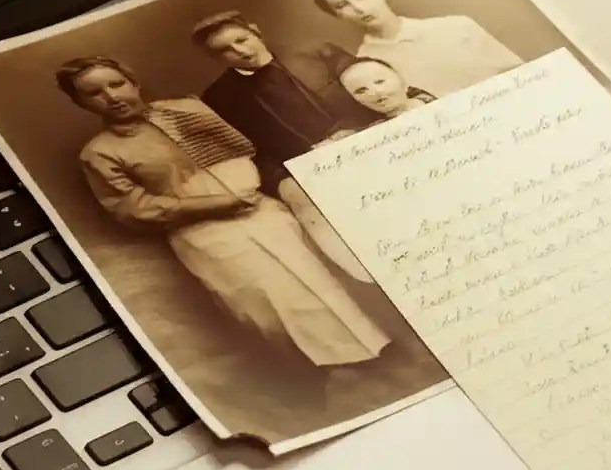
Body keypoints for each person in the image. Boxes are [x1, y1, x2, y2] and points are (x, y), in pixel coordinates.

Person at [58, 55, 391, 372]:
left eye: (117, 84)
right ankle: (332, 372)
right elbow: (134, 209)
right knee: (267, 301)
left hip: (263, 210)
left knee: (323, 278)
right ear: (81, 103)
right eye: (94, 93)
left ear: (133, 82)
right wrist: (216, 204)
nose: (111, 96)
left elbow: (250, 145)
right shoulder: (100, 153)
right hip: (204, 233)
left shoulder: (186, 109)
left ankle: (382, 353)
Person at [190, 11, 372, 282]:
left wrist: (355, 131)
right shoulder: (219, 97)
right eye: (225, 50)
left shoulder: (317, 53)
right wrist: (281, 180)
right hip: (307, 174)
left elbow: (376, 84)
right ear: (216, 58)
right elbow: (247, 154)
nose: (239, 51)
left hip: (367, 142)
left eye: (242, 39)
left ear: (255, 31)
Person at [311, 0, 522, 97]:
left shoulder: (456, 27)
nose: (358, 8)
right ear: (338, 15)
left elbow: (518, 73)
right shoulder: (367, 65)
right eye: (342, 5)